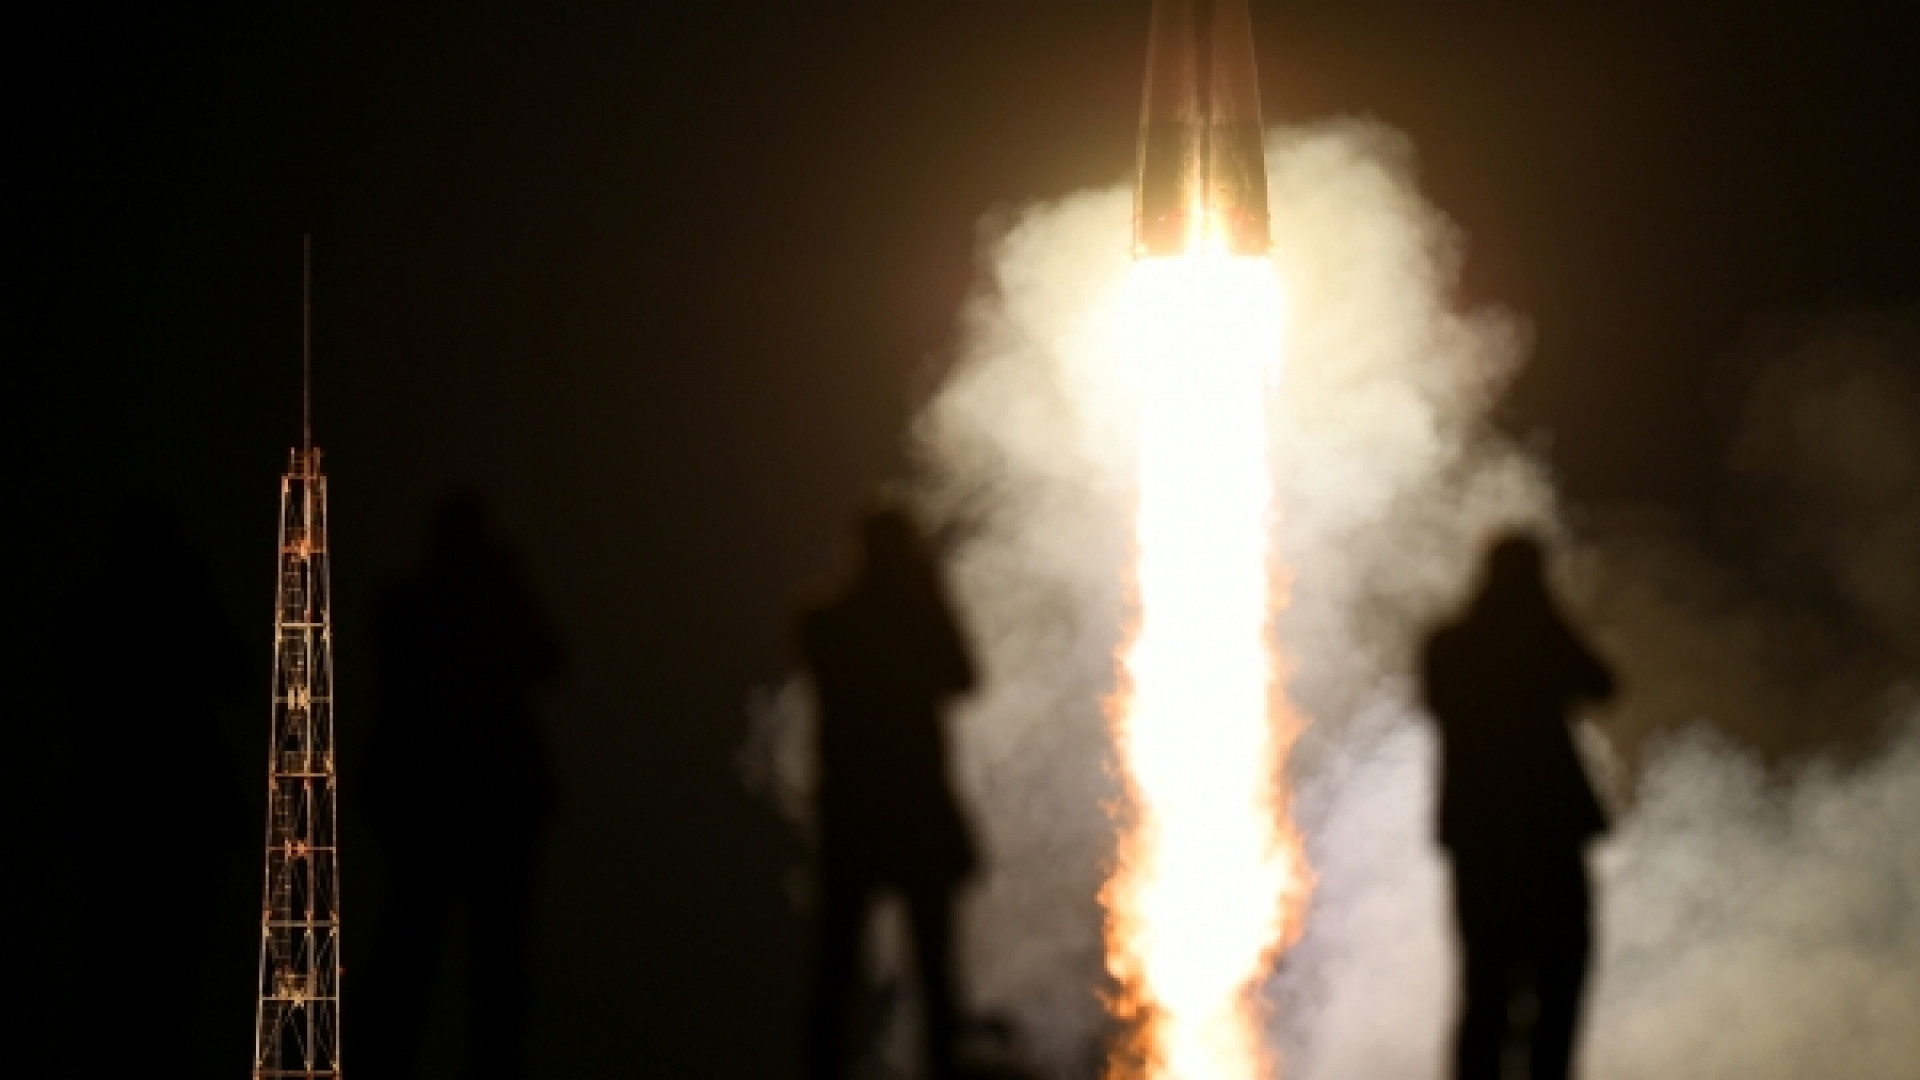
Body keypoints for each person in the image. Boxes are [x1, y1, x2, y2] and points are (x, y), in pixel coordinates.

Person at [362, 494, 563, 1080]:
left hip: (426, 802)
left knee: (411, 956)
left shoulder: (405, 603)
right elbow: (550, 660)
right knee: (492, 968)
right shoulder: (485, 602)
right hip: (492, 802)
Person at [1421, 530, 1617, 1080]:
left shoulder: (1449, 645)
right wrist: (1548, 624)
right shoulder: (1542, 643)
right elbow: (1601, 684)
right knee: (1557, 993)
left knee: (1487, 993)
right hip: (1550, 840)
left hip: (1480, 842)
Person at [798, 506, 980, 1080]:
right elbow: (964, 677)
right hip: (915, 810)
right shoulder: (916, 623)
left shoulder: (825, 621)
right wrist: (930, 597)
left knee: (836, 966)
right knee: (934, 968)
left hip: (850, 812)